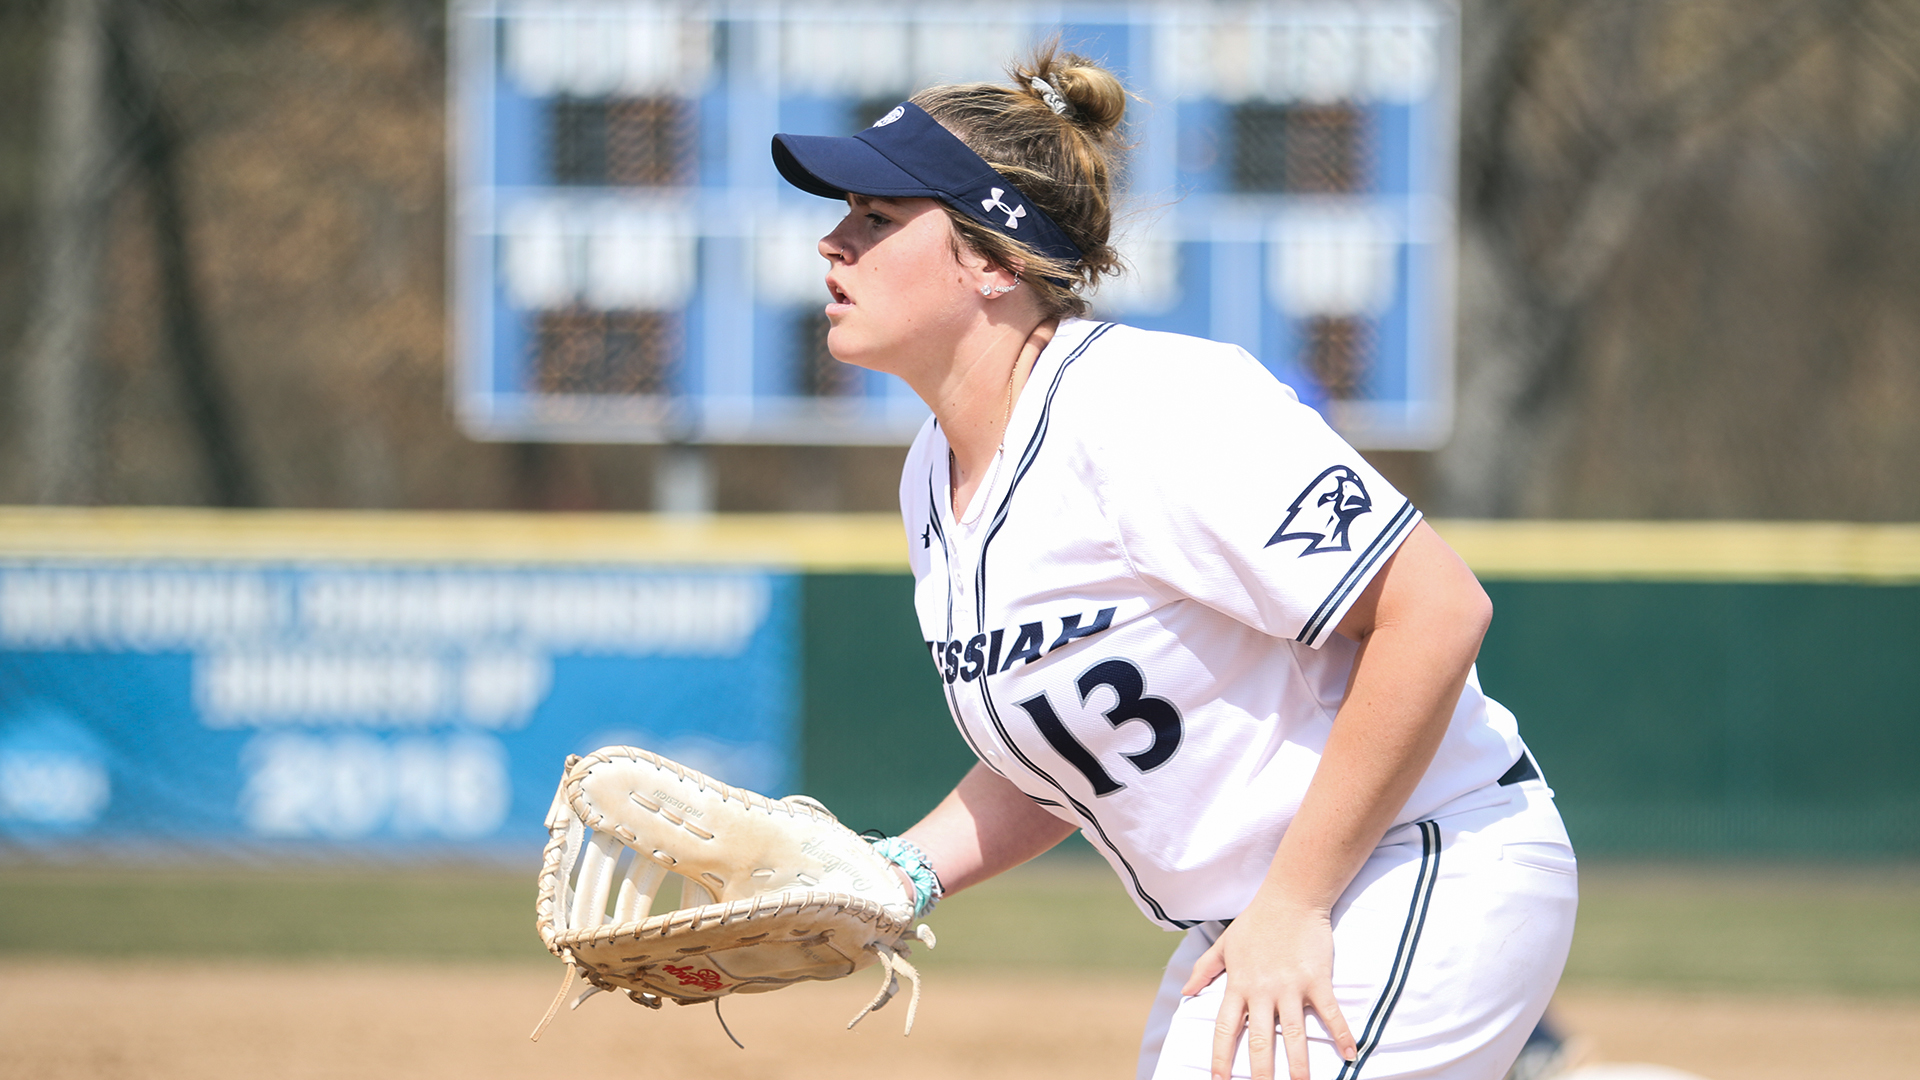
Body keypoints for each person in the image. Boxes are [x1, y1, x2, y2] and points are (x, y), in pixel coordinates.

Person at [771, 45, 1578, 1080]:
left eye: (878, 220)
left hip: (1417, 860)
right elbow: (1074, 753)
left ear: (992, 258)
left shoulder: (1149, 409)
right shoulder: (934, 476)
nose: (833, 241)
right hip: (1269, 904)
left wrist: (1293, 902)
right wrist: (900, 875)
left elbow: (1436, 608)